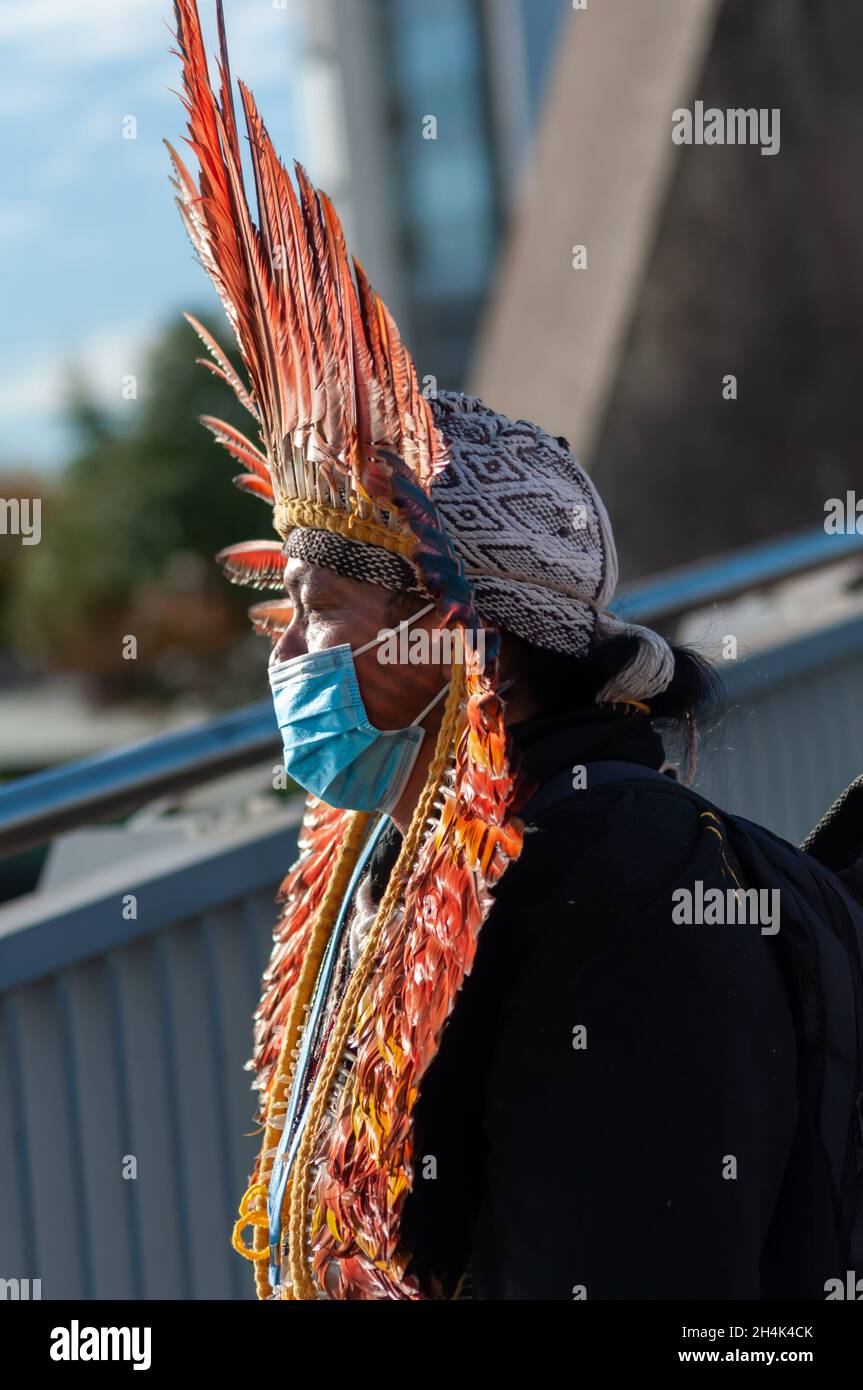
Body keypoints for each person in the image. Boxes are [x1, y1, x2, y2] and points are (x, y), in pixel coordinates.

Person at [168, 1, 861, 1300]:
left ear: (459, 638)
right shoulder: (475, 861)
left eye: (324, 611)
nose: (291, 653)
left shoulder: (620, 903)